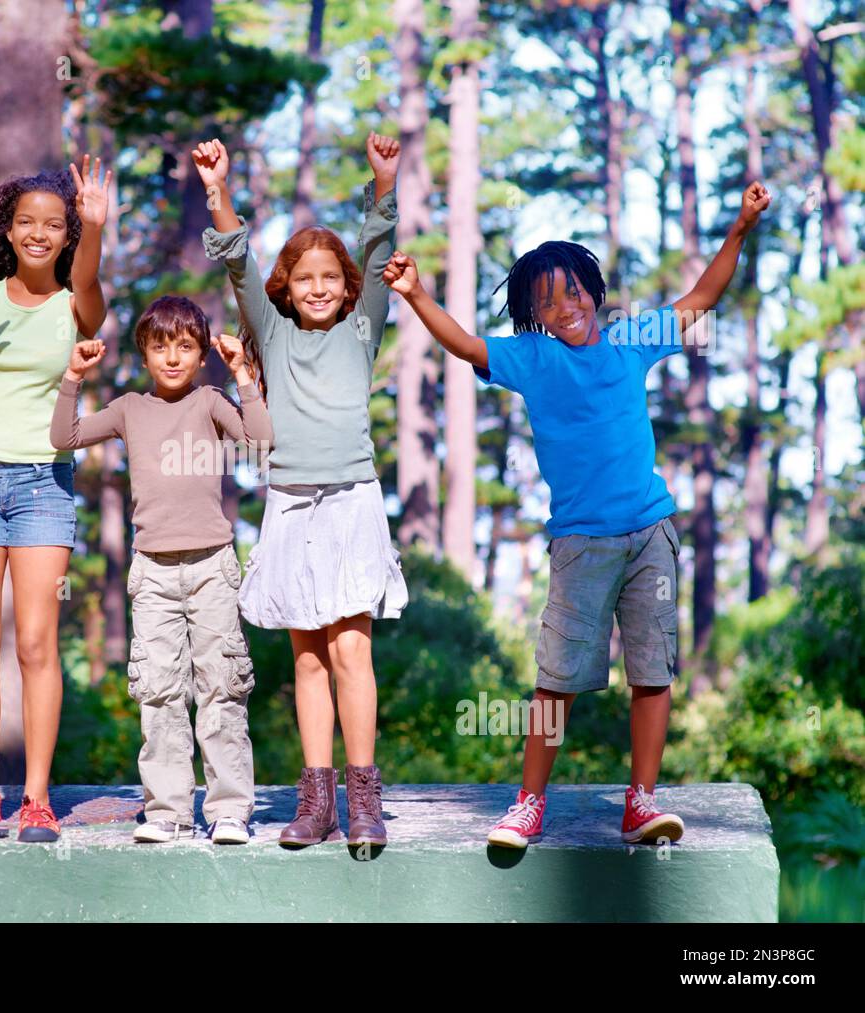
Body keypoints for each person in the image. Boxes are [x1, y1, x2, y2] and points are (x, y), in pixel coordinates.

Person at [383, 181, 772, 848]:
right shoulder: (532, 358)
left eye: (572, 291)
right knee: (556, 680)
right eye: (547, 301)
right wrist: (417, 294)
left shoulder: (630, 340)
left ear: (594, 289)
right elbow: (466, 345)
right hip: (581, 543)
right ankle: (528, 803)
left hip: (650, 531)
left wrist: (738, 228)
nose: (564, 307)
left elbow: (702, 298)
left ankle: (641, 802)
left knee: (653, 671)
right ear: (533, 316)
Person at [194, 133, 408, 849]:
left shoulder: (362, 330)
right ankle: (314, 802)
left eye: (330, 276)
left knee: (352, 649)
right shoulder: (274, 335)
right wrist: (218, 191)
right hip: (288, 504)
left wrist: (384, 183)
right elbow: (238, 262)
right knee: (307, 657)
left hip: (350, 501)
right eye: (304, 276)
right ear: (286, 287)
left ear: (348, 289)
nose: (318, 286)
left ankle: (364, 797)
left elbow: (379, 252)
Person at [50, 296, 272, 845]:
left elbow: (262, 443)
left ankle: (228, 811)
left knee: (221, 688)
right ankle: (167, 811)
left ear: (201, 357)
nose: (172, 358)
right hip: (151, 572)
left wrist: (242, 372)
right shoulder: (130, 408)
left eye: (185, 347)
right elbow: (64, 438)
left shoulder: (210, 401)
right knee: (160, 692)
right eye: (160, 347)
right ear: (145, 355)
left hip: (212, 566)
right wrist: (73, 376)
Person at [0, 148, 109, 844]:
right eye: (28, 221)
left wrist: (94, 225)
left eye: (56, 224)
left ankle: (36, 797)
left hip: (44, 481)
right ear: (9, 228)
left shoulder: (78, 305)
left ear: (66, 236)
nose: (40, 232)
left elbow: (91, 283)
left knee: (38, 642)